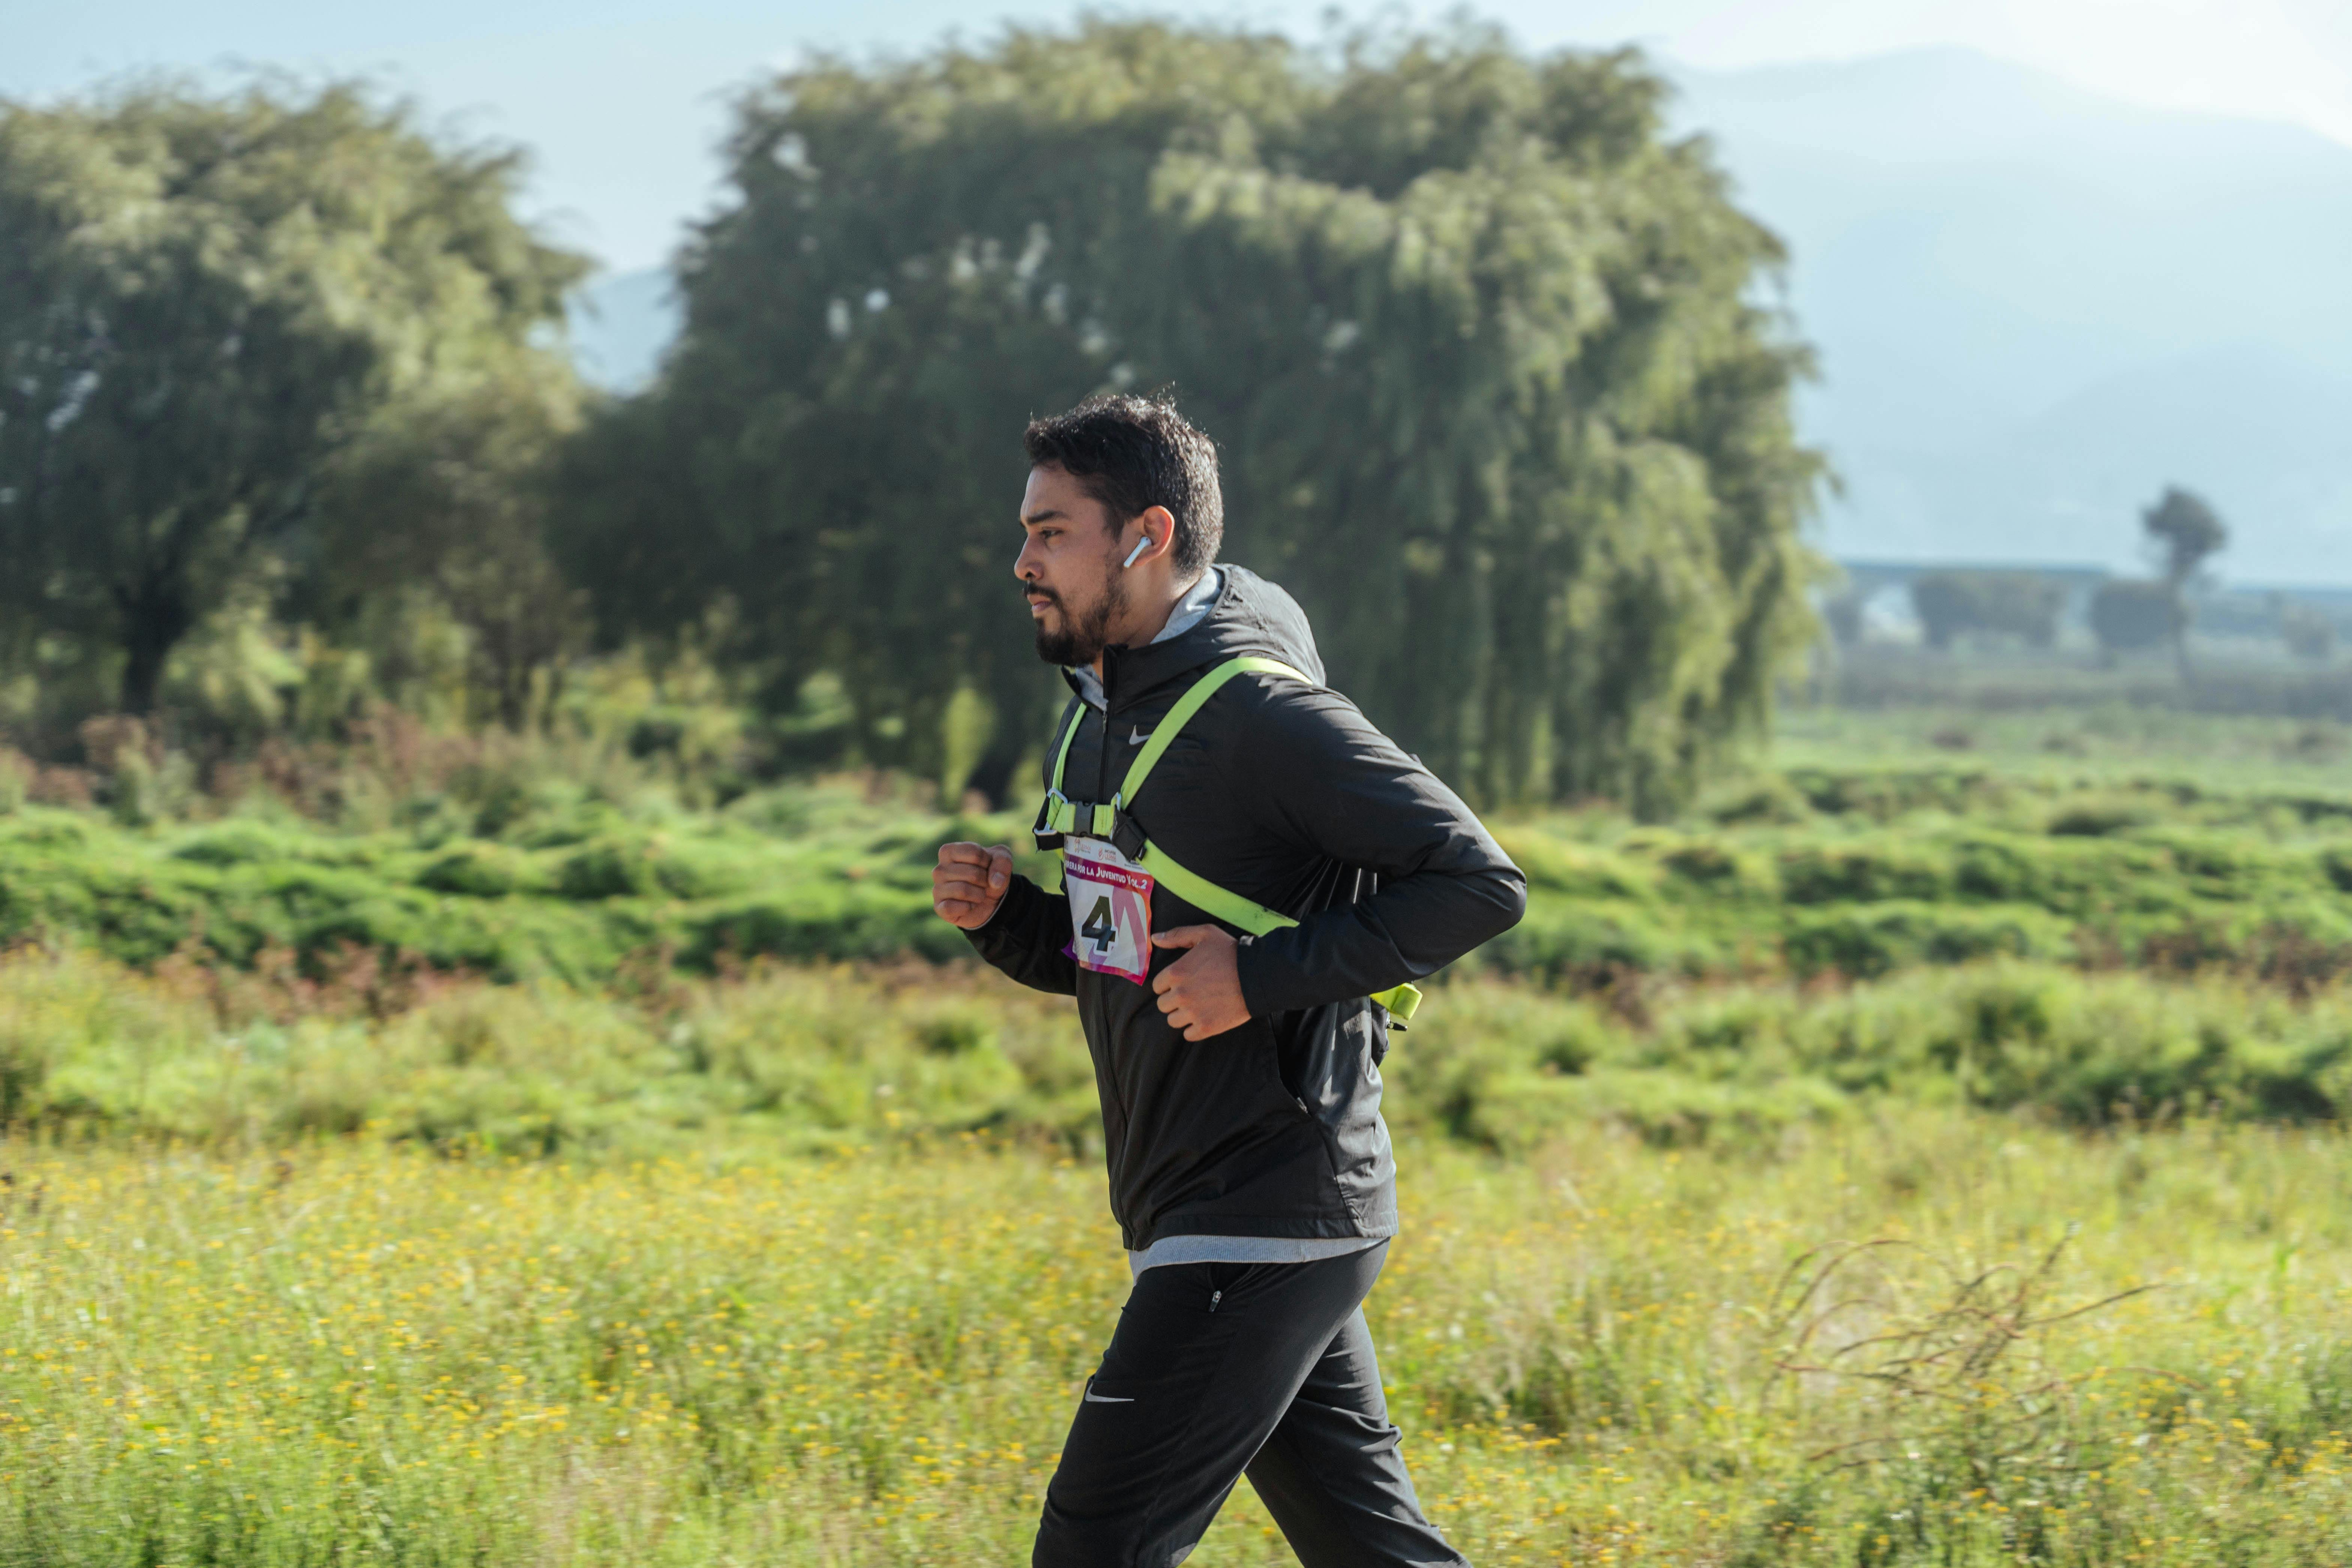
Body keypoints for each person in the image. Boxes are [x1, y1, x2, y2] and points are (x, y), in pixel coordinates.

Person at [932, 394, 1526, 1568]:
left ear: (1146, 537)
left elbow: (1477, 882)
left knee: (1093, 1547)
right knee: (1374, 1553)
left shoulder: (1263, 712)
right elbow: (1130, 965)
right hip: (1209, 1204)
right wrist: (1011, 924)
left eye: (1052, 532)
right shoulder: (1105, 705)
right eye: (1026, 532)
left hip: (1263, 1206)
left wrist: (1260, 977)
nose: (1021, 562)